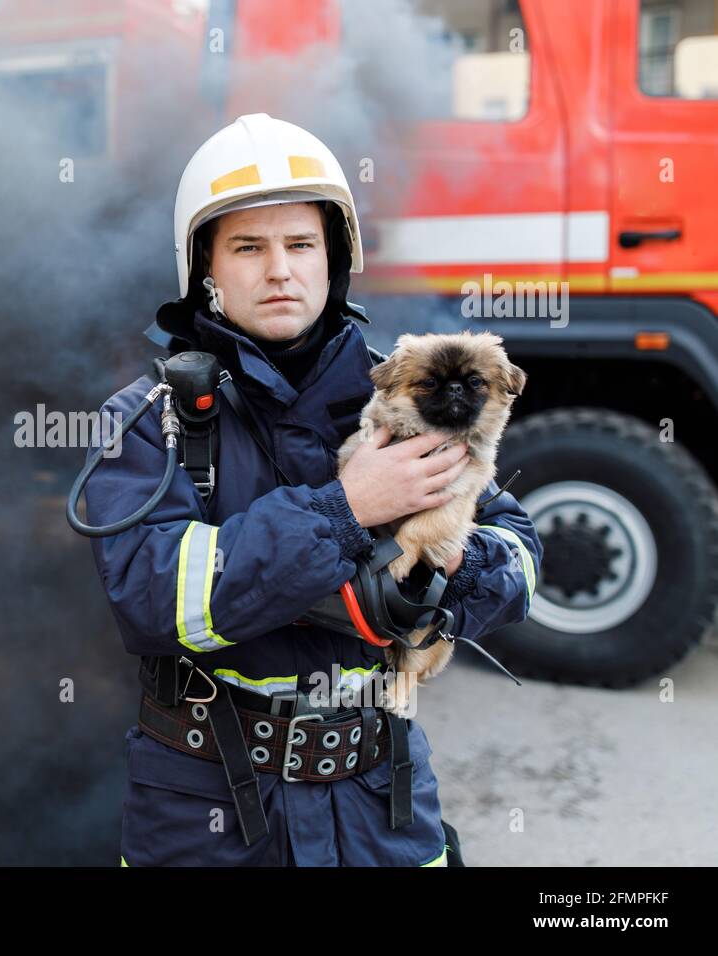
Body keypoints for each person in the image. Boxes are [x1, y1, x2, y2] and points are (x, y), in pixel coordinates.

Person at [83, 114, 542, 866]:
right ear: (204, 267)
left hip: (380, 804)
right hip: (204, 813)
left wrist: (444, 566)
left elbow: (520, 559)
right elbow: (148, 597)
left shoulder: (408, 391)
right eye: (247, 247)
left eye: (301, 245)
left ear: (336, 260)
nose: (279, 270)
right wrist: (346, 509)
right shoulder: (150, 421)